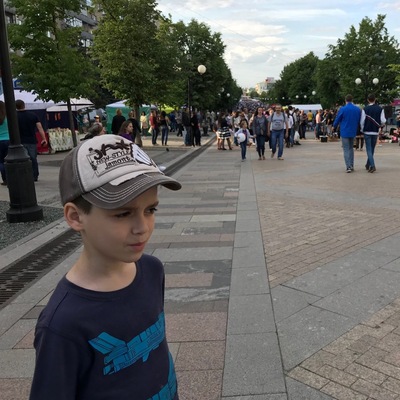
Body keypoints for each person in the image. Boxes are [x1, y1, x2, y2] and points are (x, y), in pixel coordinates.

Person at [29, 134, 182, 400]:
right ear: (75, 216)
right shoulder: (63, 323)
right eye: (123, 213)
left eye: (150, 210)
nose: (142, 228)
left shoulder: (152, 270)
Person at [15, 99, 48, 182]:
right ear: (24, 105)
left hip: (20, 141)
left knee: (22, 159)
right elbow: (40, 128)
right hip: (31, 140)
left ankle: (25, 175)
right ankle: (34, 175)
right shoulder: (33, 115)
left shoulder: (14, 116)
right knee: (33, 158)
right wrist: (44, 139)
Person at [333, 94, 361, 173]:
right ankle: (351, 165)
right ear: (352, 100)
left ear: (345, 100)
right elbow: (359, 119)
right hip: (353, 131)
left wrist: (334, 126)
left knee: (346, 149)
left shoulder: (343, 109)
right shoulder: (357, 109)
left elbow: (338, 118)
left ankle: (348, 166)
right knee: (351, 148)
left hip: (344, 131)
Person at [360, 93, 386, 173]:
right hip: (375, 131)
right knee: (372, 149)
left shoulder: (365, 109)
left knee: (368, 149)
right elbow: (383, 120)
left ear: (368, 100)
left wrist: (362, 129)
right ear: (375, 99)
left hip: (367, 131)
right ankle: (368, 164)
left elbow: (362, 121)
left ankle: (372, 165)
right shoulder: (380, 109)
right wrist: (380, 126)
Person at [0, 101, 9, 186]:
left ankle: (5, 179)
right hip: (8, 140)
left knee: (1, 162)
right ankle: (10, 177)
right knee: (8, 160)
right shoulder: (7, 117)